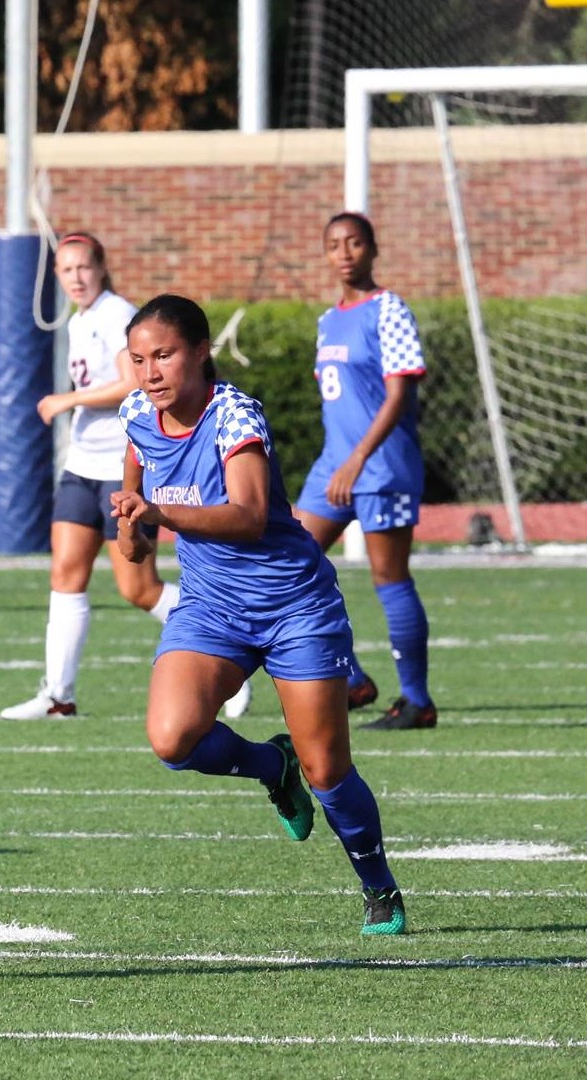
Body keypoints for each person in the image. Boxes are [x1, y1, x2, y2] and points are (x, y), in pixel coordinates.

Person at [110, 293, 405, 935]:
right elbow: (136, 522)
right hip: (213, 609)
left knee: (328, 770)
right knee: (171, 738)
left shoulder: (234, 414)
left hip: (294, 605)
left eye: (163, 355)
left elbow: (245, 517)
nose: (150, 372)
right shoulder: (135, 414)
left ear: (200, 351)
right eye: (138, 359)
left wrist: (158, 513)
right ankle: (273, 767)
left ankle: (378, 884)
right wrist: (132, 528)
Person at [0, 232, 250, 721]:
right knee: (66, 574)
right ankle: (58, 697)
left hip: (121, 466)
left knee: (138, 588)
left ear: (101, 268)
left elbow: (134, 384)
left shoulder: (117, 315)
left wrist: (66, 400)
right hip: (81, 463)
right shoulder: (82, 320)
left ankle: (231, 655)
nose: (75, 278)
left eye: (83, 268)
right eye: (66, 270)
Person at [294, 211, 435, 731]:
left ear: (373, 249)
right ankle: (351, 679)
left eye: (355, 242)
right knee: (288, 559)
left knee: (389, 577)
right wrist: (342, 458)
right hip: (335, 466)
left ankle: (417, 702)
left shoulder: (390, 309)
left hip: (379, 467)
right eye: (334, 244)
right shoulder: (328, 321)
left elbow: (399, 393)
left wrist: (358, 458)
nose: (345, 252)